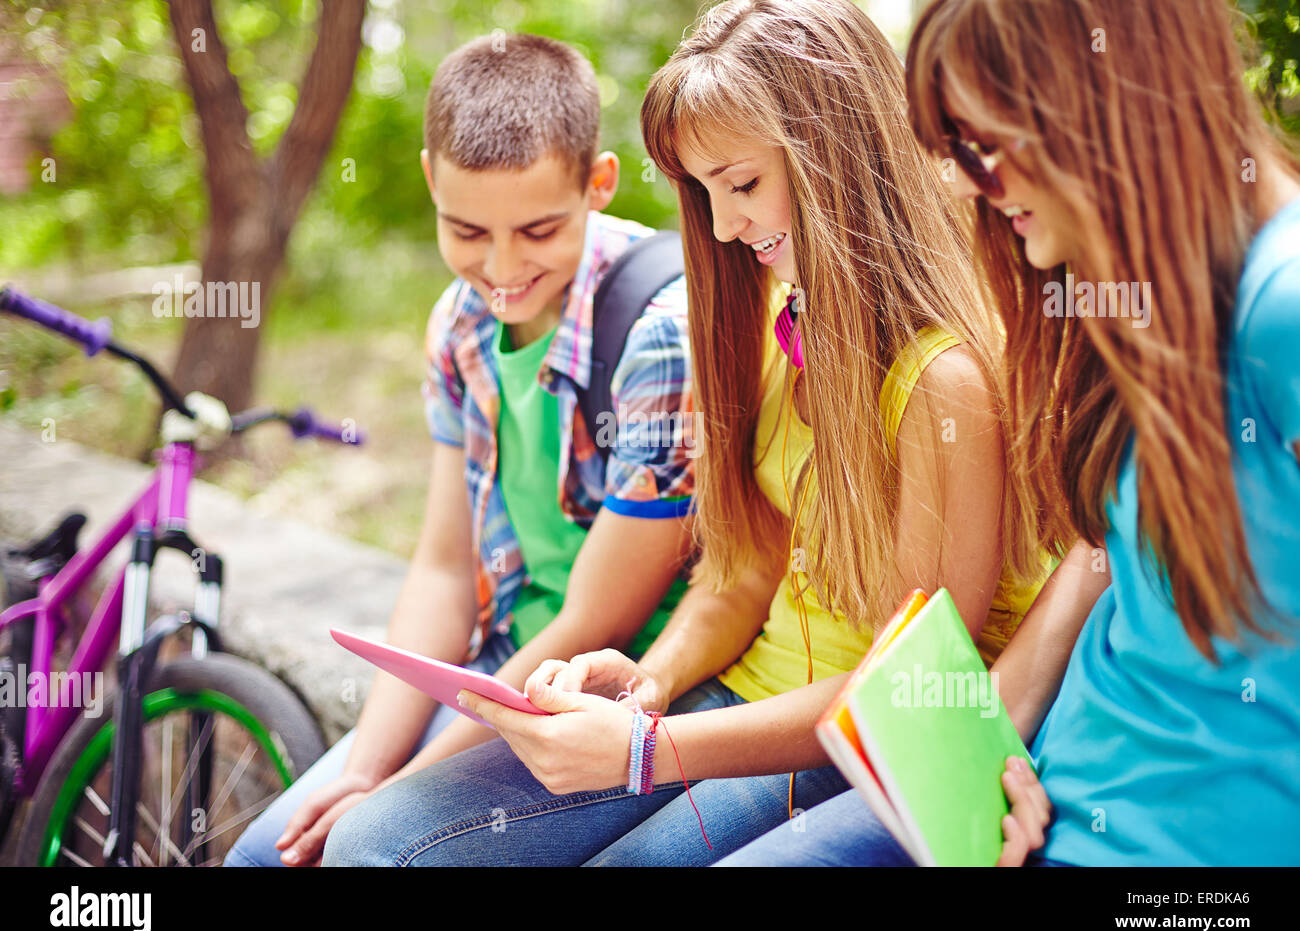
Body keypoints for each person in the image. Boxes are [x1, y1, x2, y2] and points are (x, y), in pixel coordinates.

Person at [322, 0, 1053, 868]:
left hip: (850, 746)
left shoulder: (946, 386)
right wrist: (651, 681)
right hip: (734, 693)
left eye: (741, 184)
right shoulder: (783, 313)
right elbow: (741, 570)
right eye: (703, 192)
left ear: (841, 157)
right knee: (378, 844)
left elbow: (907, 692)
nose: (719, 226)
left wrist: (647, 751)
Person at [721, 0, 1300, 867]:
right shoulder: (1143, 296)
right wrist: (997, 737)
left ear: (1107, 99)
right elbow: (1102, 553)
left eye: (981, 145)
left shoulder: (1279, 308)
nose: (958, 183)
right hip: (1039, 798)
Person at [225, 33, 696, 867]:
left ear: (601, 182)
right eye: (467, 229)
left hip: (624, 695)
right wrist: (369, 766)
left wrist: (397, 791)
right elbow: (445, 566)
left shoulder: (662, 330)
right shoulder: (461, 323)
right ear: (431, 181)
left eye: (540, 229)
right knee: (264, 854)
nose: (502, 267)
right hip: (499, 672)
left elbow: (600, 616)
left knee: (375, 848)